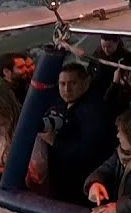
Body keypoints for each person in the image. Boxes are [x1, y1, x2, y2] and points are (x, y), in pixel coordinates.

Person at [42, 63, 117, 205]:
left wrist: (54, 141)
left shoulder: (94, 111)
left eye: (72, 83)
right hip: (66, 185)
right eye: (62, 84)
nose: (67, 89)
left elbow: (87, 153)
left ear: (86, 82)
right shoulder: (63, 104)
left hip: (85, 189)